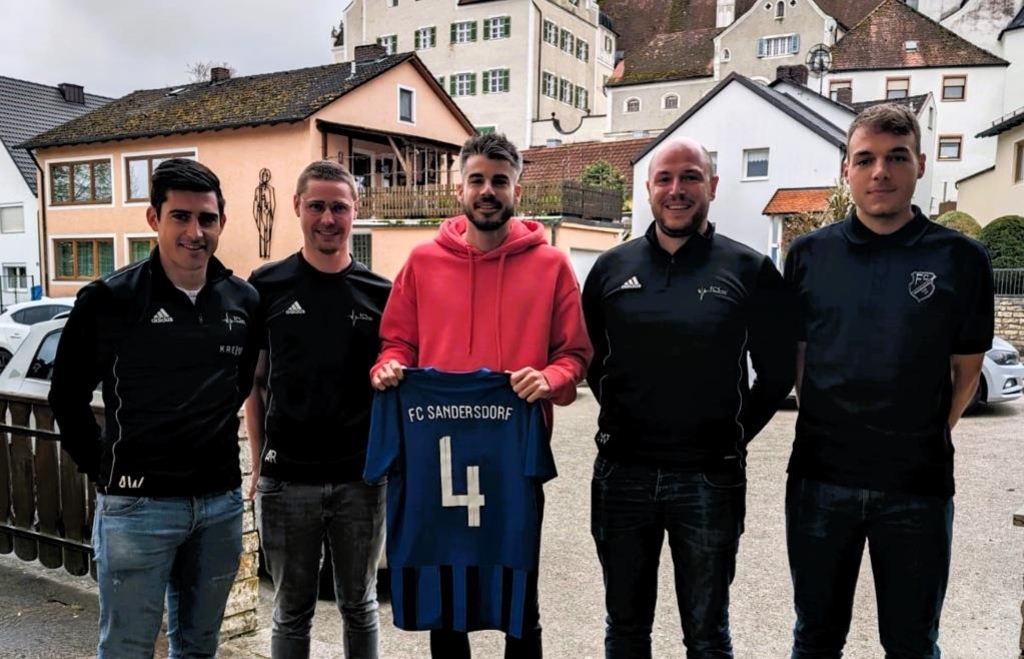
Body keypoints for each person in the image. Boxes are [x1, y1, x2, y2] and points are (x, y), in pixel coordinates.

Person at [370, 132, 592, 659]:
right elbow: (395, 342)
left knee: (520, 607)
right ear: (459, 189)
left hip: (514, 463)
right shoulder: (422, 263)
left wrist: (550, 379)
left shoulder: (552, 266)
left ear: (518, 188)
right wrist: (388, 368)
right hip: (439, 465)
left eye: (499, 180)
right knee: (448, 611)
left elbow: (576, 356)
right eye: (477, 180)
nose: (487, 190)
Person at [784, 103, 994, 658]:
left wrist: (923, 430)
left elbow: (967, 369)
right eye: (866, 159)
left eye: (896, 158)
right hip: (820, 479)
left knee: (911, 641)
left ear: (920, 164)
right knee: (815, 636)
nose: (881, 172)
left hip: (917, 485)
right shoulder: (807, 255)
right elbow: (800, 361)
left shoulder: (962, 259)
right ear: (846, 170)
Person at [581, 137, 796, 659]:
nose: (677, 190)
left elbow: (776, 373)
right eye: (665, 179)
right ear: (649, 189)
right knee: (626, 628)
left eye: (691, 177)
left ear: (712, 186)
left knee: (706, 632)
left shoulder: (749, 271)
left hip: (709, 478)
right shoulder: (609, 270)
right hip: (622, 475)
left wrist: (733, 432)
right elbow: (591, 359)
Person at [48, 158, 260, 658]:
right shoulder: (110, 299)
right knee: (126, 648)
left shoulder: (242, 300)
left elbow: (242, 382)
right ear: (153, 219)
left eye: (206, 219)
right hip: (138, 508)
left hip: (219, 504)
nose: (195, 231)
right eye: (180, 217)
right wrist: (105, 470)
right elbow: (66, 395)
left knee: (200, 645)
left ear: (221, 223)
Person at [245, 160, 390, 659]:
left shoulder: (381, 293)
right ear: (297, 209)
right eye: (317, 206)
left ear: (355, 211)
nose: (328, 218)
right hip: (287, 483)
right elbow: (256, 383)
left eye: (339, 207)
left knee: (360, 605)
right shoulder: (266, 286)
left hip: (360, 481)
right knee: (291, 612)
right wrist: (257, 465)